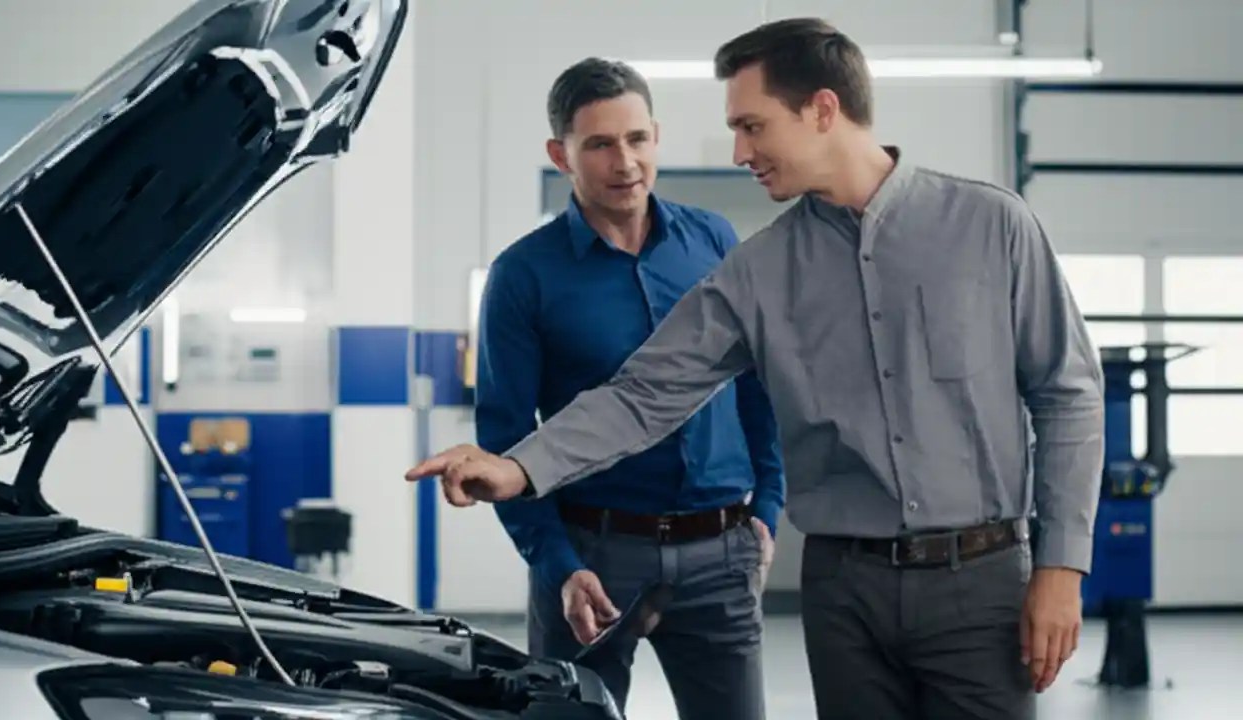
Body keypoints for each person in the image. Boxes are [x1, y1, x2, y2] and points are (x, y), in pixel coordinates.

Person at [409, 18, 1104, 720]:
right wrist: (520, 468)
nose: (739, 151)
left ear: (822, 110)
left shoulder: (992, 226)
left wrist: (1061, 567)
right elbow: (647, 393)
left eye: (752, 126)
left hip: (981, 583)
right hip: (844, 593)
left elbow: (1067, 396)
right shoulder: (758, 268)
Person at [473, 57, 784, 720]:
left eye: (638, 139)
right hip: (591, 559)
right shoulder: (522, 275)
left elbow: (756, 381)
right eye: (600, 144)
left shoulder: (714, 241)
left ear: (657, 136)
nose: (626, 162)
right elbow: (505, 439)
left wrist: (769, 507)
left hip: (721, 549)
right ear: (561, 154)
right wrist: (557, 565)